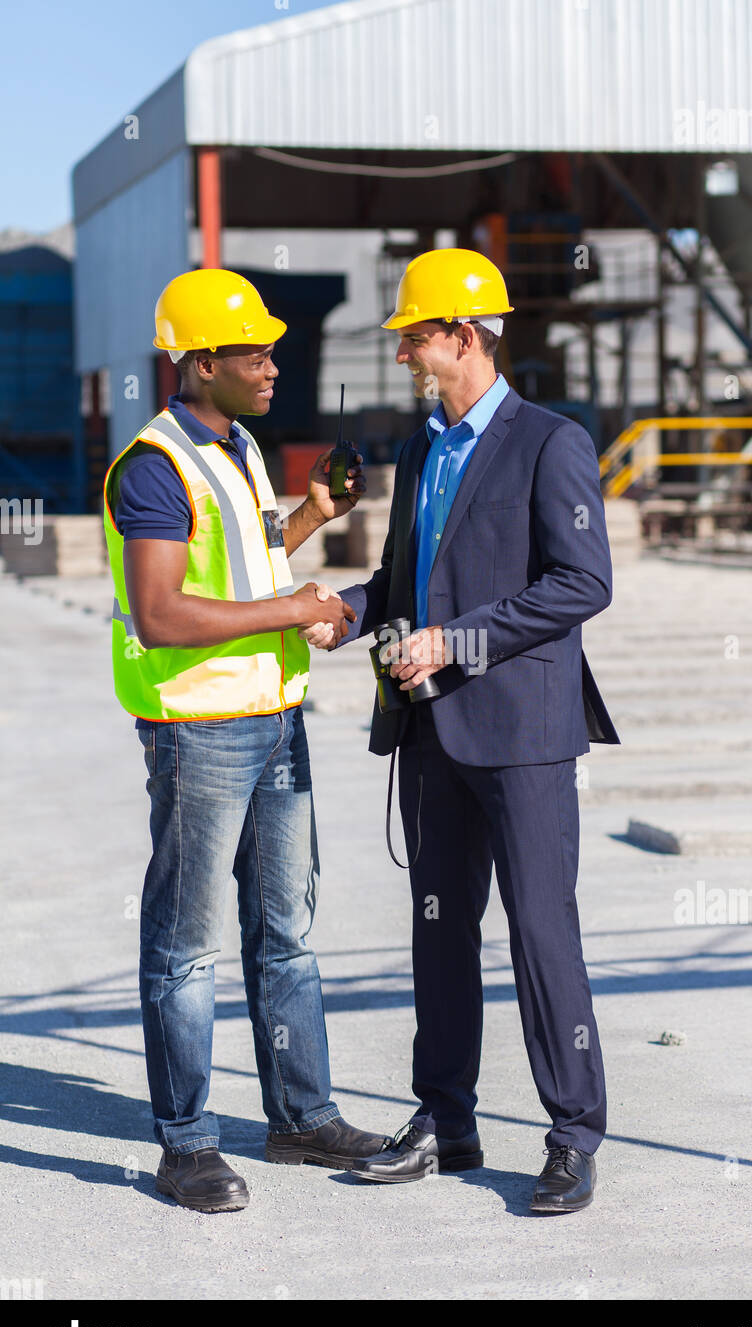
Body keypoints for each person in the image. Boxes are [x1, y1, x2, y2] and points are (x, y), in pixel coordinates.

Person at [304, 248, 620, 1213]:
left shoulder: (549, 442)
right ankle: (447, 1120)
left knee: (539, 931)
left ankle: (572, 1135)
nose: (404, 354)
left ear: (466, 337)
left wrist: (455, 642)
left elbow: (583, 583)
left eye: (415, 337)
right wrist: (349, 612)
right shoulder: (421, 450)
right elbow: (408, 585)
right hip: (435, 733)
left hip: (522, 730)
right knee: (438, 936)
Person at [102, 268, 387, 1213]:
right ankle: (186, 1146)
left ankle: (301, 1118)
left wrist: (313, 516)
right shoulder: (154, 465)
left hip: (274, 725)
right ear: (198, 362)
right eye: (253, 352)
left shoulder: (240, 446)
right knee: (187, 948)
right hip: (199, 735)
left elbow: (251, 548)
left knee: (287, 936)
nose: (273, 365)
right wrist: (296, 606)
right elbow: (163, 610)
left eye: (272, 349)